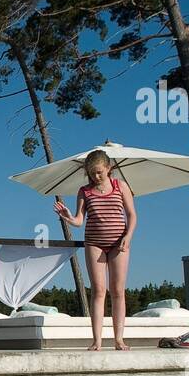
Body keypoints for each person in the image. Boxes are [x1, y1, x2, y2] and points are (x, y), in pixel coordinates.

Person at [55, 150, 137, 350]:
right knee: (99, 290)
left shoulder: (121, 186)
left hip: (119, 243)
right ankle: (97, 340)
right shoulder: (84, 191)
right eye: (92, 173)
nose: (96, 176)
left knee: (118, 291)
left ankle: (119, 339)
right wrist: (68, 217)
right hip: (94, 243)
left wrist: (128, 236)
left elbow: (132, 215)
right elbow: (79, 220)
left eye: (99, 172)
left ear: (109, 169)